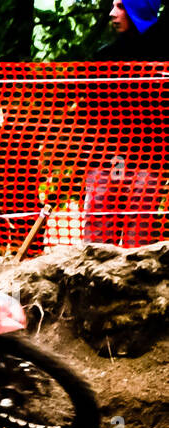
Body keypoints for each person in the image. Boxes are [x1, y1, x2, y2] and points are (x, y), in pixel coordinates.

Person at [84, 0, 166, 245]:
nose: (112, 13)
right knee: (97, 228)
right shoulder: (103, 57)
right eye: (112, 6)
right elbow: (92, 114)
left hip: (148, 158)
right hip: (107, 157)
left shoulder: (162, 53)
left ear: (138, 9)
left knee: (137, 231)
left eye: (120, 6)